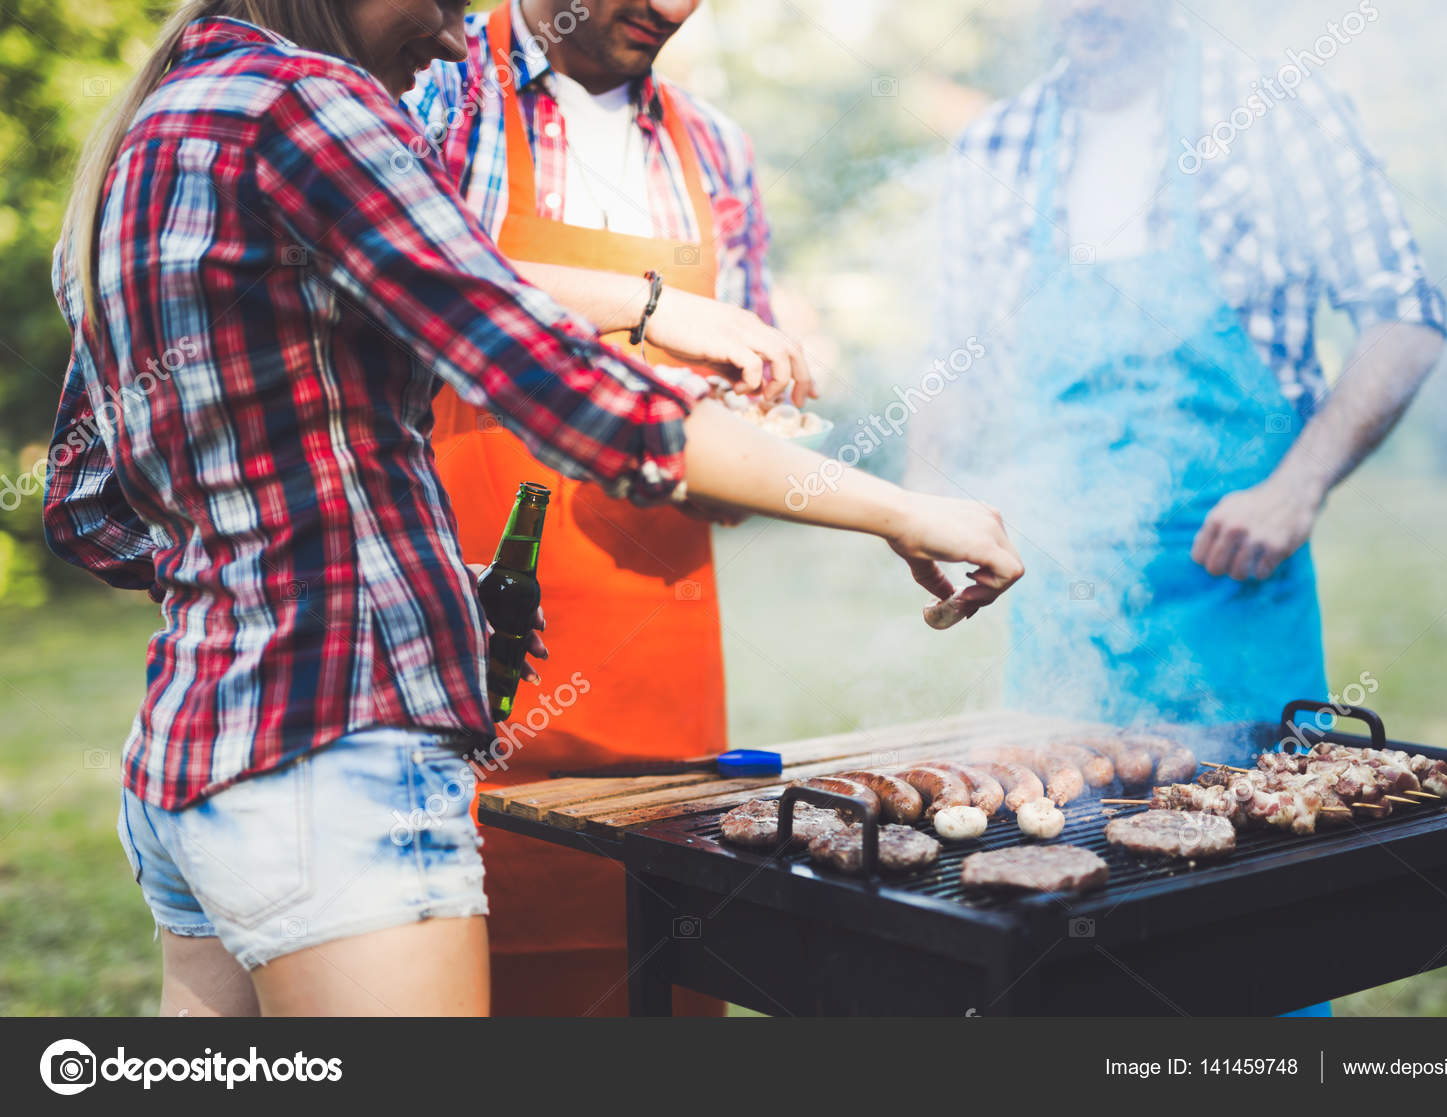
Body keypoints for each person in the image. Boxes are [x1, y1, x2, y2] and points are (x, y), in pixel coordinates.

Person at [45, 0, 1022, 1017]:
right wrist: (900, 509)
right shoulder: (310, 107)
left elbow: (86, 501)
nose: (454, 28)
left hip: (195, 746)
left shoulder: (153, 129)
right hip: (335, 749)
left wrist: (370, 566)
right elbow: (579, 396)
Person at [919, 0, 1446, 1017]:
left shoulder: (1276, 112)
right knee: (1052, 948)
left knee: (1258, 945)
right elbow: (957, 365)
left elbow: (1404, 314)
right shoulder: (996, 144)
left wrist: (1296, 484)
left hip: (1233, 610)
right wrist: (927, 503)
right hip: (1060, 619)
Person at [402, 0, 806, 1016]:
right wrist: (660, 305)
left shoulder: (714, 147)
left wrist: (762, 451)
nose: (667, 7)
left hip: (658, 654)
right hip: (466, 636)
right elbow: (419, 276)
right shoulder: (436, 81)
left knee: (653, 970)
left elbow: (721, 407)